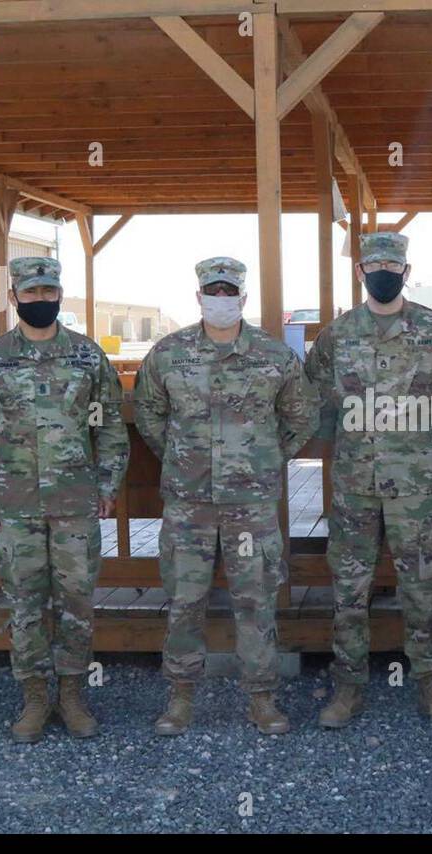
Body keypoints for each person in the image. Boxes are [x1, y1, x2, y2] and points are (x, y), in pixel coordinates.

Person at [133, 257, 318, 734]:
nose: (220, 300)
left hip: (250, 507)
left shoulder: (274, 356)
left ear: (243, 299)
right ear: (199, 297)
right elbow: (150, 416)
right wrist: (182, 457)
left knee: (256, 600)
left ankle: (262, 699)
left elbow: (301, 417)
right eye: (212, 292)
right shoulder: (168, 354)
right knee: (184, 600)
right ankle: (180, 699)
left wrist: (264, 459)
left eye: (228, 292)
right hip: (189, 505)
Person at [304, 231, 432, 727]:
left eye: (391, 265)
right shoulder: (338, 334)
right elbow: (314, 396)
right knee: (349, 589)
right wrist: (345, 439)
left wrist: (425, 433)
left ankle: (429, 683)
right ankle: (348, 687)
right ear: (361, 272)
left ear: (405, 270)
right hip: (355, 483)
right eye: (372, 264)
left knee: (421, 585)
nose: (382, 272)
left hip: (414, 484)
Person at [0, 257, 129, 742]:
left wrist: (107, 486)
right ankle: (35, 697)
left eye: (48, 292)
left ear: (60, 295)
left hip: (76, 504)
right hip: (14, 507)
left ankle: (73, 695)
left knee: (76, 603)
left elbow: (110, 428)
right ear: (14, 297)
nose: (40, 301)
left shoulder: (87, 357)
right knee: (25, 606)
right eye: (30, 293)